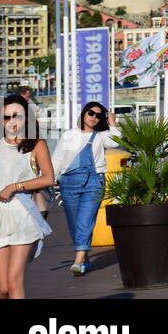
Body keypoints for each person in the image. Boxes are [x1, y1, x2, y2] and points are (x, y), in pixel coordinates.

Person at [0, 95, 54, 298]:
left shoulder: (36, 145)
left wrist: (15, 186)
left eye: (17, 116)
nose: (12, 121)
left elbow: (48, 178)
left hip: (23, 217)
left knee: (13, 282)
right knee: (2, 288)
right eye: (6, 117)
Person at [50, 101, 119, 275]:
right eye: (91, 113)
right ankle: (84, 257)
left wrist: (112, 121)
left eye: (98, 115)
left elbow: (116, 142)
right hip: (68, 183)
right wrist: (50, 177)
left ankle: (78, 260)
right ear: (83, 113)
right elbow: (57, 159)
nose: (94, 117)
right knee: (74, 223)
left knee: (85, 221)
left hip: (93, 183)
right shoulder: (69, 135)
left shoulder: (101, 136)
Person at [15, 86, 48, 214]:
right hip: (20, 145)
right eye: (28, 96)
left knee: (34, 175)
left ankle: (39, 209)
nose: (29, 99)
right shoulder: (15, 108)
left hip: (30, 145)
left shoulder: (30, 108)